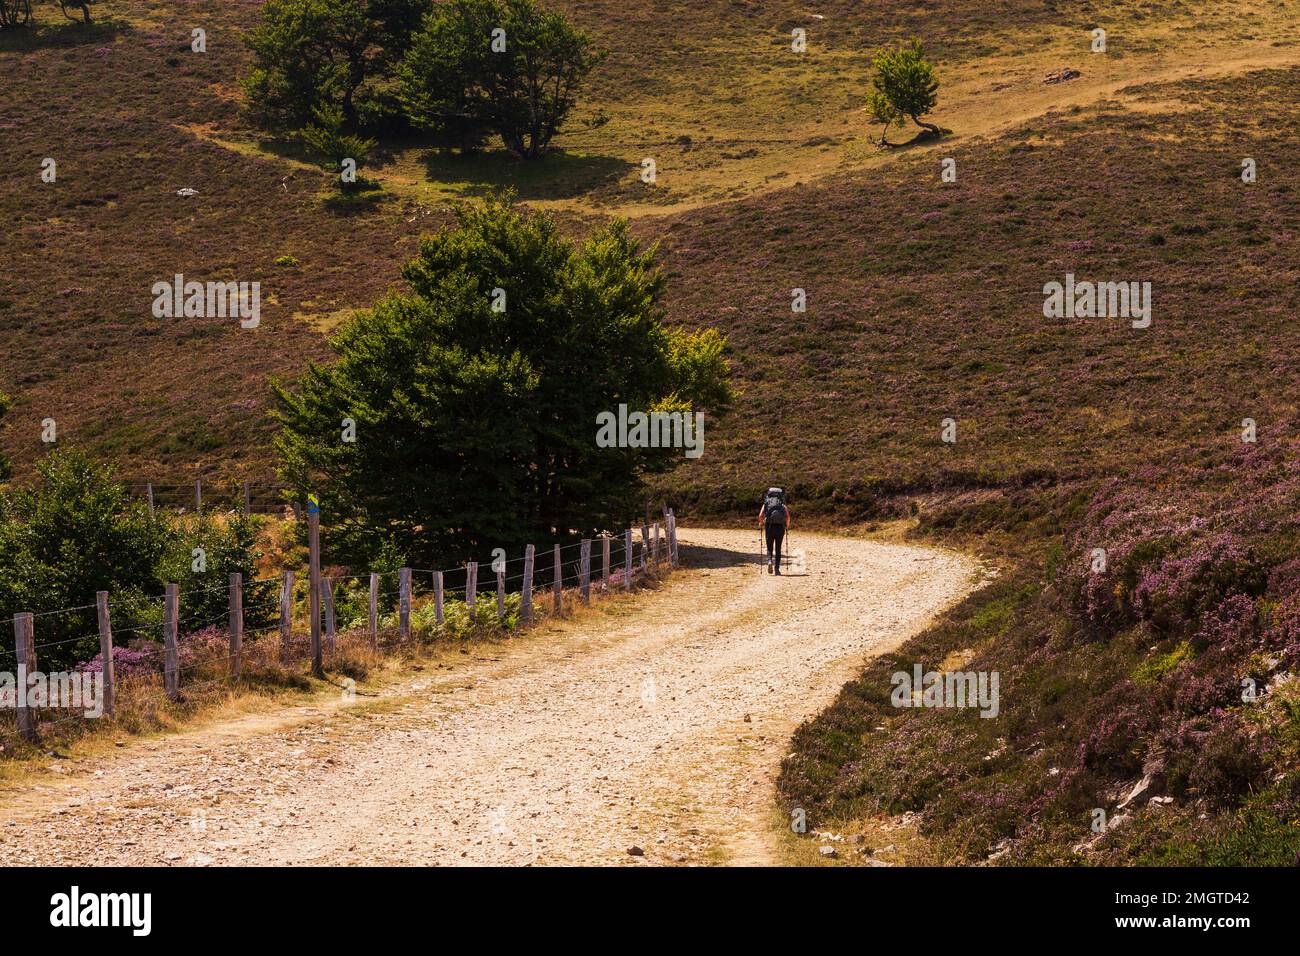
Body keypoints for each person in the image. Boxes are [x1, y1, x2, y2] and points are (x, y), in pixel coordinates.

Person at [758, 487, 791, 574]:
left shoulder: (766, 503)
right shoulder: (782, 505)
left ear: (769, 495)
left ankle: (769, 561)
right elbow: (788, 517)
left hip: (769, 527)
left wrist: (761, 524)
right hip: (780, 527)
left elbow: (760, 516)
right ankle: (777, 569)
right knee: (778, 548)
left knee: (769, 547)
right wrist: (787, 526)